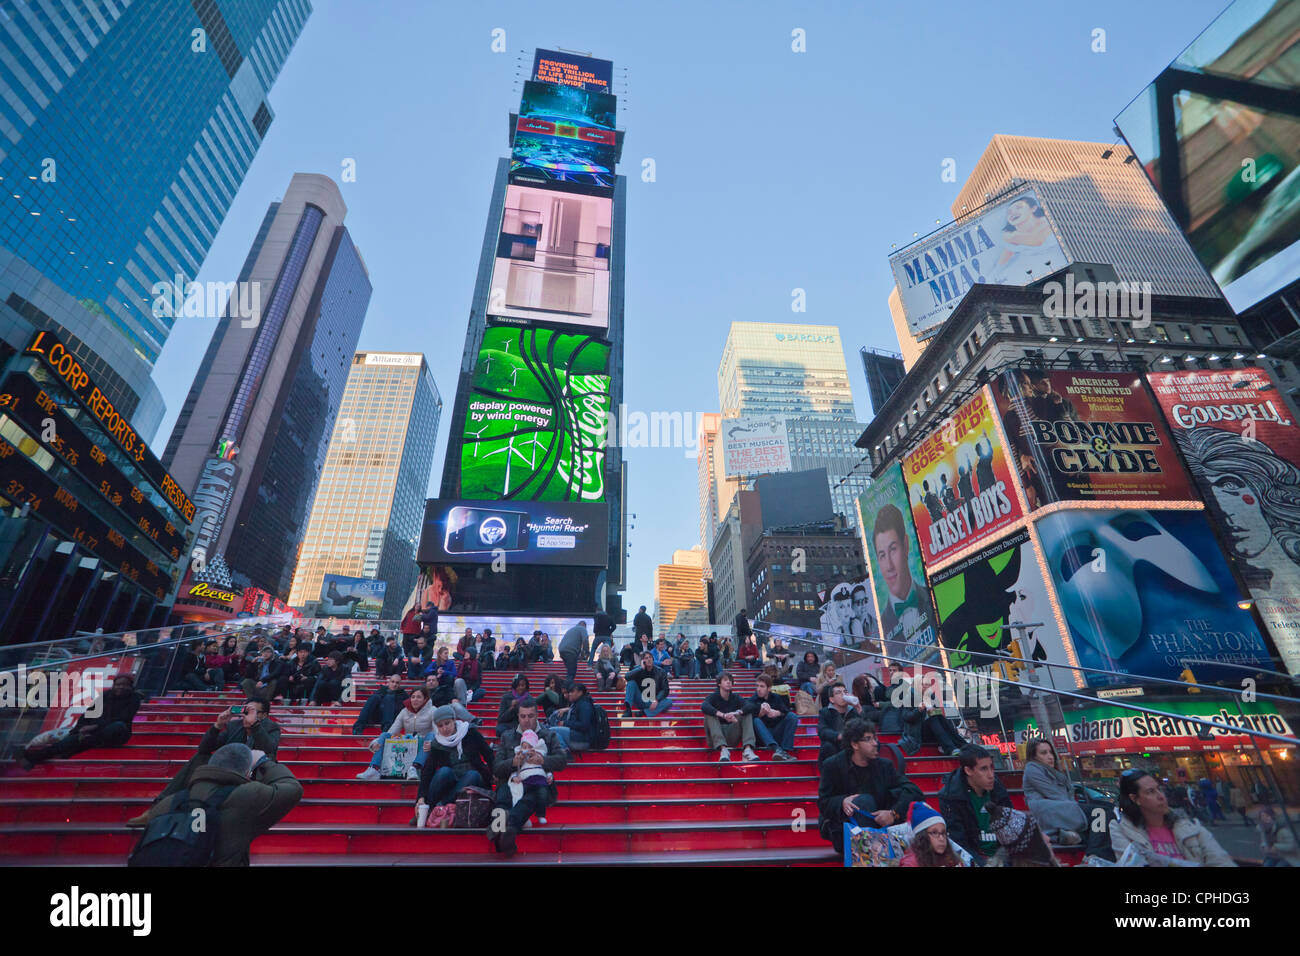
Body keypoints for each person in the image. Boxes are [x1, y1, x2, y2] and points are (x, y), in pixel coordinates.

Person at [126, 743, 303, 866]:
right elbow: (292, 788)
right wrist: (264, 762)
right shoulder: (246, 796)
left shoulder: (168, 802)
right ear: (246, 772)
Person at [817, 718, 923, 855]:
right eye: (868, 739)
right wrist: (841, 801)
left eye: (875, 738)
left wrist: (893, 813)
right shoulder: (833, 765)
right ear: (855, 744)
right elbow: (823, 803)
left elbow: (913, 791)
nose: (875, 743)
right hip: (846, 831)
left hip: (881, 829)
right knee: (863, 801)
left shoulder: (884, 766)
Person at [490, 698, 568, 857]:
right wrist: (512, 762)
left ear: (537, 715)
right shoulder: (507, 736)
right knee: (503, 796)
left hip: (537, 784)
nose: (526, 720)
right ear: (517, 716)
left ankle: (505, 831)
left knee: (531, 797)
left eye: (530, 716)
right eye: (523, 716)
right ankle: (503, 838)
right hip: (511, 782)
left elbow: (562, 761)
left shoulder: (548, 735)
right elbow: (497, 768)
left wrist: (543, 760)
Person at [1110, 770, 1235, 866]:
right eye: (1150, 792)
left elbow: (1221, 861)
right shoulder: (1120, 829)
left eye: (1159, 789)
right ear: (1135, 799)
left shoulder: (1190, 826)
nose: (1161, 796)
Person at [21, 674, 142, 768]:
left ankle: (74, 747)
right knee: (72, 739)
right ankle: (33, 758)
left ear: (131, 687)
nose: (121, 687)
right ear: (114, 685)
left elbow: (123, 718)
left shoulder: (134, 698)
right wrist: (78, 729)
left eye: (125, 685)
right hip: (96, 733)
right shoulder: (106, 695)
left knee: (118, 725)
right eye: (118, 684)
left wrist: (94, 727)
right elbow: (89, 713)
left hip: (116, 734)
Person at [415, 704, 494, 826]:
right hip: (451, 783)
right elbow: (428, 770)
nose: (444, 728)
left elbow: (488, 754)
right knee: (444, 771)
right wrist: (421, 797)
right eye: (440, 726)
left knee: (473, 775)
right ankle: (430, 807)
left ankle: (439, 806)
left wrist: (496, 773)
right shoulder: (437, 743)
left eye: (447, 723)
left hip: (471, 780)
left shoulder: (470, 732)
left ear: (454, 720)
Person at [938, 745, 1014, 866]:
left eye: (991, 767)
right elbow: (959, 843)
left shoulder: (998, 788)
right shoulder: (951, 796)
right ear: (968, 771)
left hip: (1002, 857)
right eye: (983, 769)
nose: (991, 775)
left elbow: (1011, 830)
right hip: (974, 859)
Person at [357, 686, 436, 781]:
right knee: (385, 735)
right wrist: (376, 742)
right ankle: (374, 769)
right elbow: (392, 731)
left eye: (419, 697)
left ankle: (414, 768)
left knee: (431, 736)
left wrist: (433, 743)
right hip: (408, 745)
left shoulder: (433, 710)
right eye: (413, 697)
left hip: (424, 746)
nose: (415, 700)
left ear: (425, 699)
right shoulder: (404, 712)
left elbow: (438, 732)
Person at [1022, 738, 1086, 846]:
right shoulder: (1032, 769)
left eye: (1051, 752)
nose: (1050, 756)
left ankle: (1095, 853)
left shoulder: (1054, 773)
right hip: (1048, 811)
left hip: (1063, 809)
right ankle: (1094, 853)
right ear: (1034, 757)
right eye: (1043, 753)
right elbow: (1057, 795)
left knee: (1102, 816)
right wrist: (1077, 807)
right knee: (1100, 813)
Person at [701, 673, 758, 762]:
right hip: (715, 737)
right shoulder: (713, 697)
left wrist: (736, 713)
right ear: (719, 683)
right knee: (709, 714)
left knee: (746, 712)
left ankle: (748, 749)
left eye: (730, 680)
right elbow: (704, 706)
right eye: (725, 680)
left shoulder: (735, 697)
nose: (729, 682)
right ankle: (723, 750)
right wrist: (723, 715)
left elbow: (751, 706)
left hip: (731, 734)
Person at [748, 673, 797, 761]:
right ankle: (777, 749)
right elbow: (747, 721)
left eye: (762, 686)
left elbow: (785, 711)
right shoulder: (752, 700)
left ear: (769, 688)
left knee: (792, 716)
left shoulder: (776, 698)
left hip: (776, 732)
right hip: (762, 738)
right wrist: (760, 714)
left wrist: (777, 713)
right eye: (757, 686)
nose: (758, 689)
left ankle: (785, 750)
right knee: (756, 720)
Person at [901, 802, 965, 867]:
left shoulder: (952, 860)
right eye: (934, 833)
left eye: (943, 833)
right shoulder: (910, 864)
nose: (941, 838)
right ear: (921, 837)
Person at [817, 682, 864, 766]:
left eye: (845, 692)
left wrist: (859, 710)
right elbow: (822, 731)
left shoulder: (853, 711)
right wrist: (839, 736)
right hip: (835, 745)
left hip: (851, 744)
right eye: (838, 693)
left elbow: (864, 729)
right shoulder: (825, 712)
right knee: (828, 746)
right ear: (832, 699)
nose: (843, 695)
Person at [548, 682, 597, 753]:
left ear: (580, 692)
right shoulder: (578, 704)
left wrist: (565, 723)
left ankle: (565, 752)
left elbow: (584, 725)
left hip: (583, 740)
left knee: (552, 731)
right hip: (578, 736)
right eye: (569, 692)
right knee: (551, 731)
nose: (570, 694)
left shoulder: (584, 705)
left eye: (572, 692)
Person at [624, 650, 674, 718]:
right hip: (641, 699)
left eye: (650, 657)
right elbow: (627, 677)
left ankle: (644, 712)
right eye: (646, 658)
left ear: (653, 659)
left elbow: (665, 690)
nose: (649, 659)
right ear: (643, 661)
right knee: (631, 683)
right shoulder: (638, 669)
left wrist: (656, 700)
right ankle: (628, 710)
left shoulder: (661, 672)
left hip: (653, 701)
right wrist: (641, 668)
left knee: (669, 702)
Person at [559, 620, 589, 686]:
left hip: (562, 650)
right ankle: (567, 687)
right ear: (584, 626)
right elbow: (585, 640)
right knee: (572, 671)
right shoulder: (582, 628)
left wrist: (581, 655)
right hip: (570, 651)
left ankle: (566, 684)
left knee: (570, 670)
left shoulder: (571, 629)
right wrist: (587, 651)